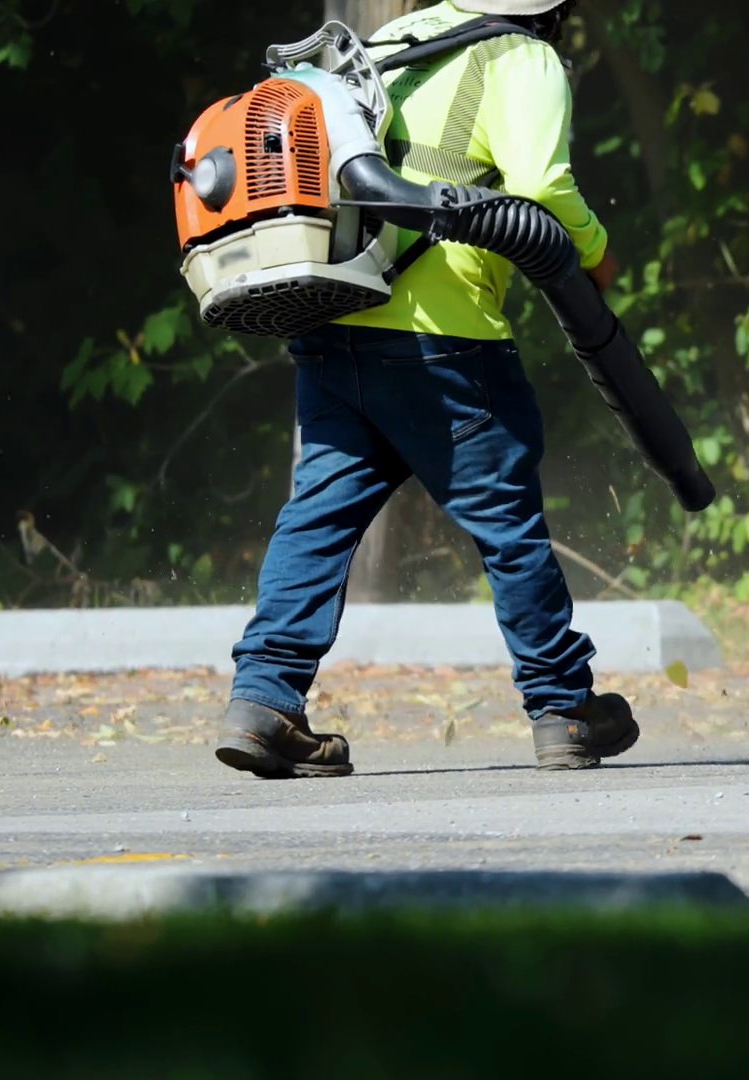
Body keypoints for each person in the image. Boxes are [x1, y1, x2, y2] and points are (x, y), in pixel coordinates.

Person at [213, 0, 636, 779]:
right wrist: (598, 257)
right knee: (506, 524)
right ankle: (563, 707)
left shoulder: (388, 40)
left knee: (317, 516)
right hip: (445, 342)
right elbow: (541, 187)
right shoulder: (521, 58)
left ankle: (265, 698)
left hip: (335, 316)